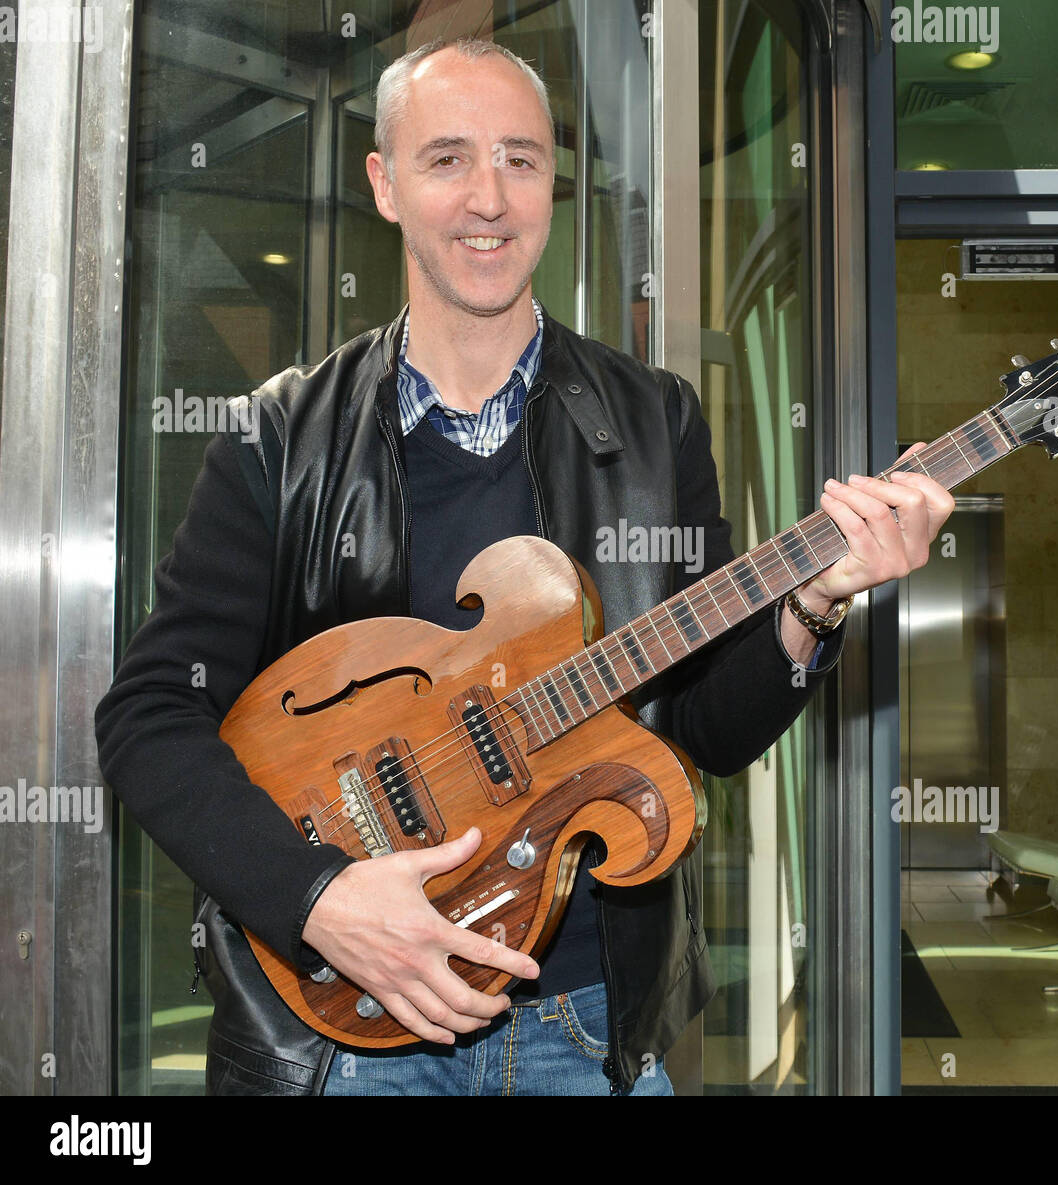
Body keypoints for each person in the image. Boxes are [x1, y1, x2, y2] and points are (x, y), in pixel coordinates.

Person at [94, 36, 955, 1097]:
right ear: (386, 185)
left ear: (555, 180)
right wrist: (317, 896)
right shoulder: (282, 435)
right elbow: (148, 716)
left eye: (521, 159)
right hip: (342, 1036)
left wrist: (815, 604)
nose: (489, 199)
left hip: (586, 1029)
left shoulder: (654, 422)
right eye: (448, 159)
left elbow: (703, 734)